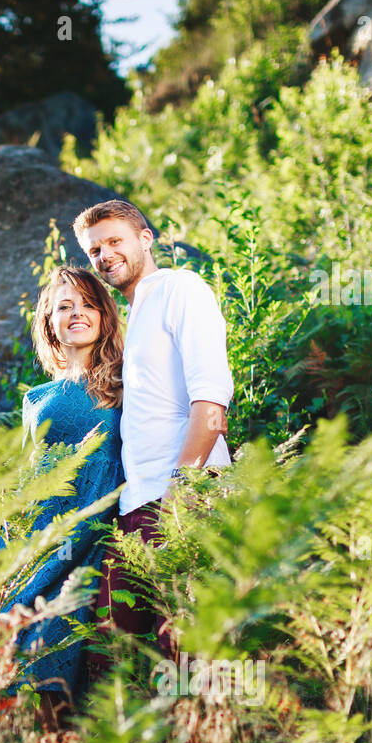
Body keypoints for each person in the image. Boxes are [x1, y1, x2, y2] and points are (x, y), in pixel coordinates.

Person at [71, 199, 233, 679]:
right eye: (94, 249)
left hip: (185, 497)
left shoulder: (180, 288)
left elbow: (211, 397)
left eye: (114, 240)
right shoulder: (132, 317)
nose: (104, 255)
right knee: (111, 653)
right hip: (136, 509)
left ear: (146, 238)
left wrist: (183, 489)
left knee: (184, 646)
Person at [0, 265, 126, 732]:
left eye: (87, 303)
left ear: (105, 315)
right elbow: (30, 476)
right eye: (64, 306)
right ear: (48, 322)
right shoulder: (36, 396)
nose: (77, 313)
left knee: (62, 631)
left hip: (96, 529)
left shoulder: (125, 381)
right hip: (39, 535)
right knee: (6, 625)